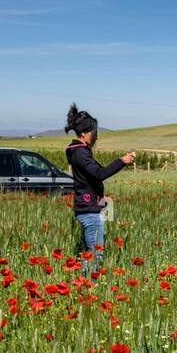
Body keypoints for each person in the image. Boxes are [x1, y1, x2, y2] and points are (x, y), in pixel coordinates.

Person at [64, 104, 134, 276]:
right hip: (89, 211)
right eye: (93, 133)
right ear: (84, 134)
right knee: (95, 254)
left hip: (88, 207)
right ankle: (87, 287)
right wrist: (122, 161)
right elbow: (99, 173)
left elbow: (96, 173)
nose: (96, 136)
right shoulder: (81, 153)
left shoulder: (79, 151)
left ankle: (84, 286)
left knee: (90, 254)